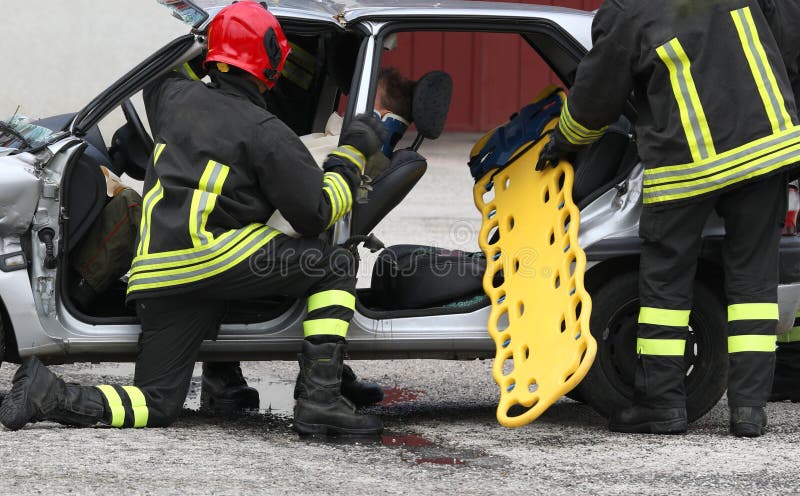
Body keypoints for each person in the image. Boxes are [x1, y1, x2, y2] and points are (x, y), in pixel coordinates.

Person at [0, 1, 387, 436]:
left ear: (212, 55)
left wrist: (207, 37)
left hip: (157, 275)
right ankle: (321, 399)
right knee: (333, 263)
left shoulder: (169, 97)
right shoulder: (266, 132)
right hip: (211, 260)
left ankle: (47, 393)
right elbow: (317, 214)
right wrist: (352, 154)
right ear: (273, 61)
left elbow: (172, 70)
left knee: (156, 402)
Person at [536, 0, 800, 437]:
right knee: (754, 281)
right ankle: (750, 410)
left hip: (686, 166)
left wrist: (564, 139)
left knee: (666, 283)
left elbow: (596, 99)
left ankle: (662, 405)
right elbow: (790, 36)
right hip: (765, 150)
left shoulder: (629, 9)